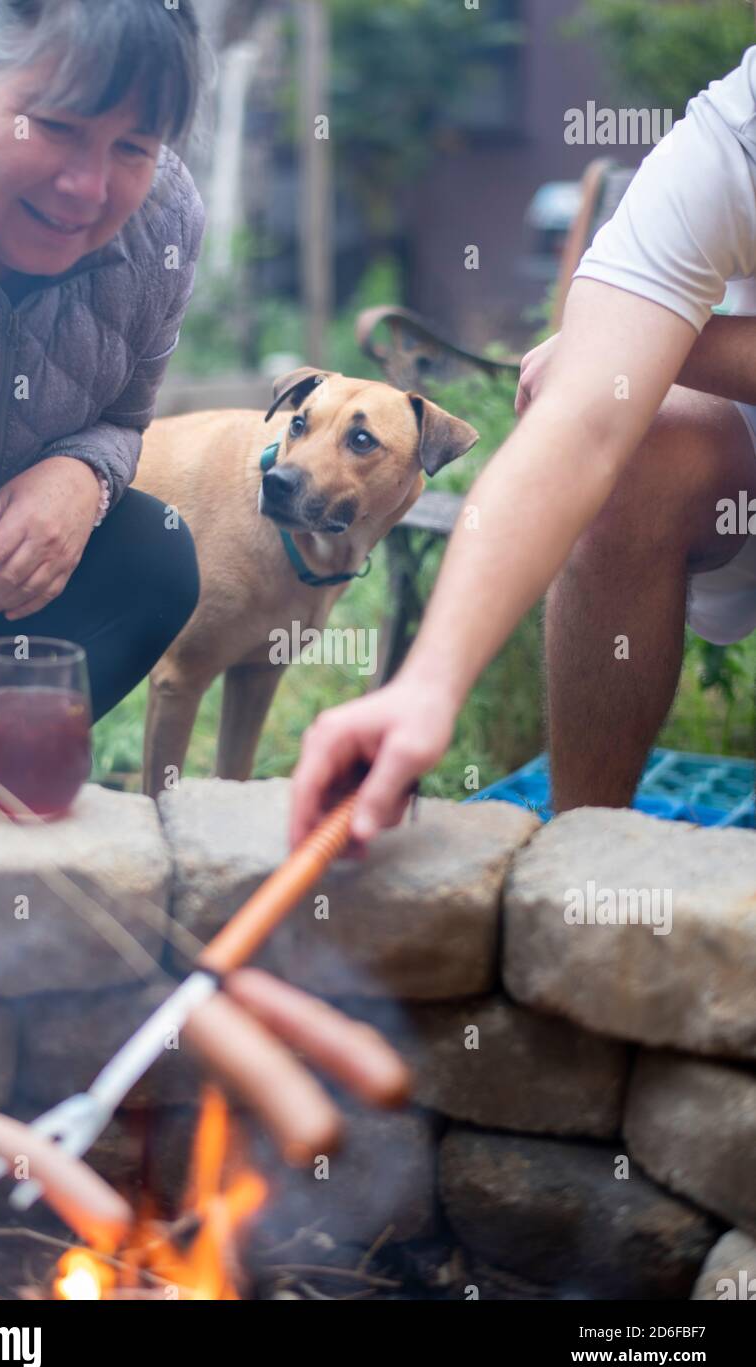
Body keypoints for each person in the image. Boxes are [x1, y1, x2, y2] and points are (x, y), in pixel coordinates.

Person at [290, 3, 756, 850]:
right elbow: (579, 427)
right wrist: (429, 685)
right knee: (632, 451)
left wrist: (671, 339)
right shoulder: (733, 141)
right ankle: (584, 862)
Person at [0, 0, 205, 786]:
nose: (86, 188)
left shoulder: (160, 223)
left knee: (150, 554)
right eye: (57, 127)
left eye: (132, 147)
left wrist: (83, 474)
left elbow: (123, 418)